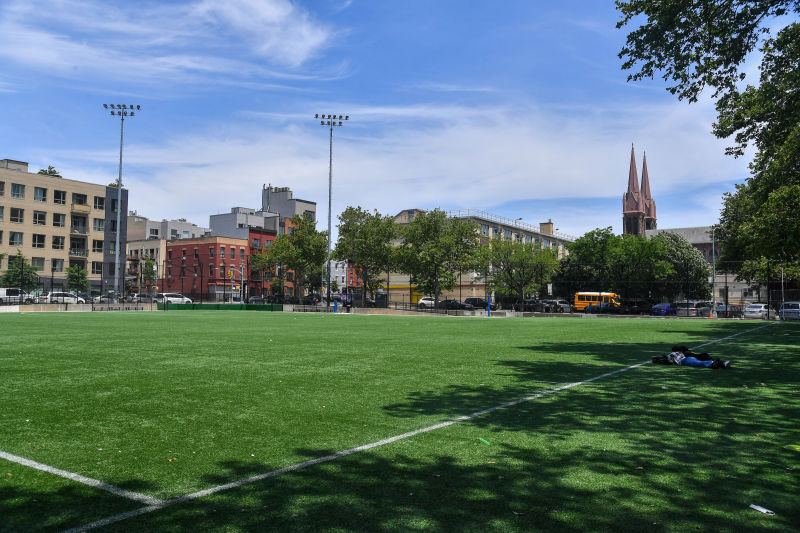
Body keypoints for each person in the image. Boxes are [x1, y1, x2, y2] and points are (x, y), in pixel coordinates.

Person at [652, 346, 731, 369]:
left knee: (699, 363)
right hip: (688, 358)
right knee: (701, 360)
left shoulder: (671, 355)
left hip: (685, 360)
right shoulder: (680, 352)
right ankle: (721, 363)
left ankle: (717, 364)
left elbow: (671, 362)